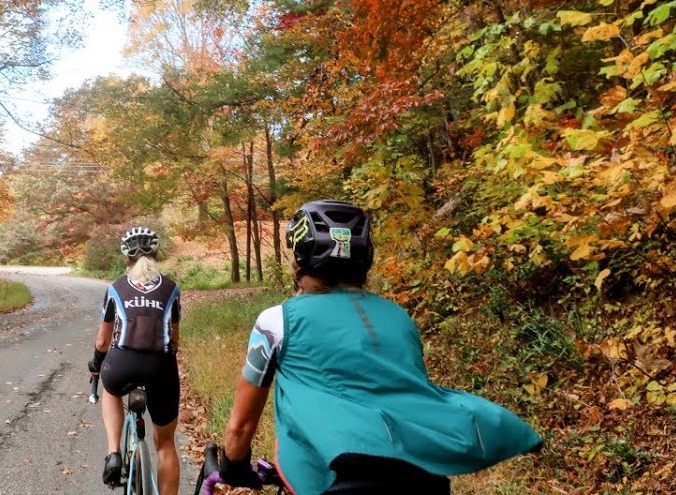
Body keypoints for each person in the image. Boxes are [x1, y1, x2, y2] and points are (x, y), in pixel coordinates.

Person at [218, 200, 543, 495]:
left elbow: (241, 425)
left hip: (338, 476)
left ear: (299, 257)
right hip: (423, 474)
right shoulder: (399, 317)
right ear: (365, 257)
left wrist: (232, 466)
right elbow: (403, 393)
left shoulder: (276, 321)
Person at [88, 226, 182, 495]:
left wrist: (97, 365)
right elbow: (175, 340)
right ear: (157, 255)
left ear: (126, 259)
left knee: (110, 389)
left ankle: (113, 452)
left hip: (122, 364)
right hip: (161, 367)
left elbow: (103, 342)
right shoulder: (171, 289)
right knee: (165, 444)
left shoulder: (116, 288)